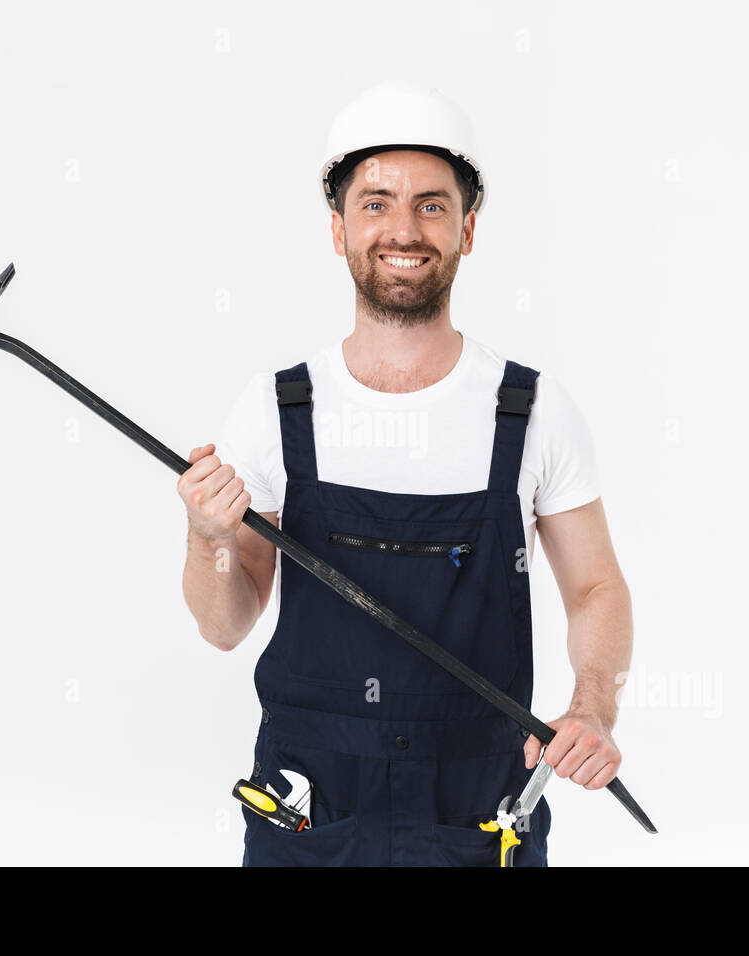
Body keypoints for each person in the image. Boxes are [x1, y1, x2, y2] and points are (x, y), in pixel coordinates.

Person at [178, 82, 633, 866]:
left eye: (430, 204)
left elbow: (596, 589)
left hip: (478, 809)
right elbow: (224, 625)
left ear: (467, 229)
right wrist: (206, 534)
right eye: (376, 201)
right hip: (311, 809)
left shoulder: (530, 411)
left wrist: (594, 706)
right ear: (338, 228)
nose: (403, 228)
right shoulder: (275, 409)